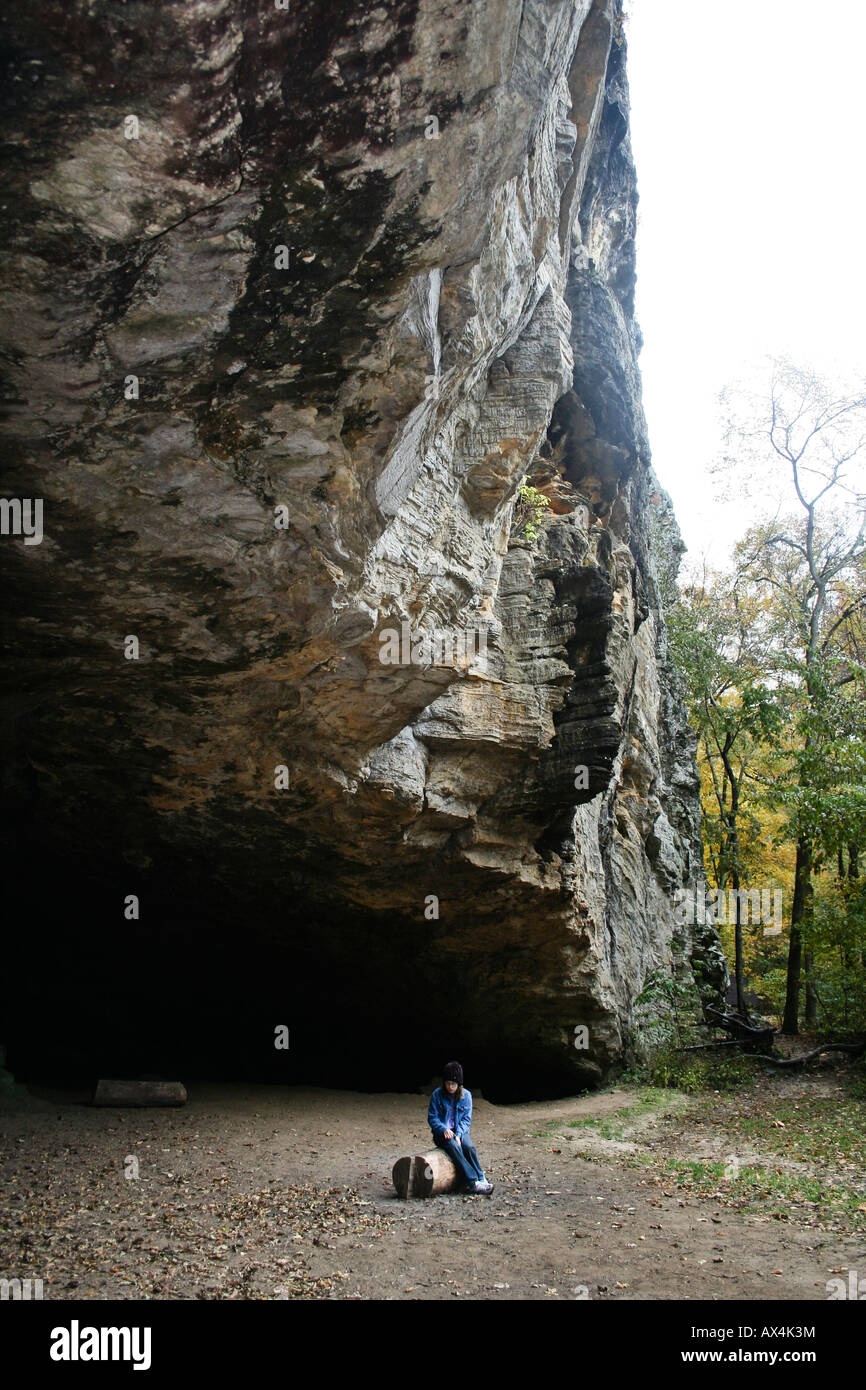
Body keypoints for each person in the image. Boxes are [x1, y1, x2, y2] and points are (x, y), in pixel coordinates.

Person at [427, 1061, 493, 1195]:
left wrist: (458, 1135)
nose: (450, 1087)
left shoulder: (466, 1096)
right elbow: (432, 1118)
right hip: (443, 1133)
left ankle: (481, 1178)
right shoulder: (437, 1095)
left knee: (468, 1147)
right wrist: (443, 1129)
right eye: (448, 1083)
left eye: (453, 1084)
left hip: (459, 1132)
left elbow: (466, 1120)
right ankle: (472, 1181)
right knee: (454, 1147)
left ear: (459, 1084)